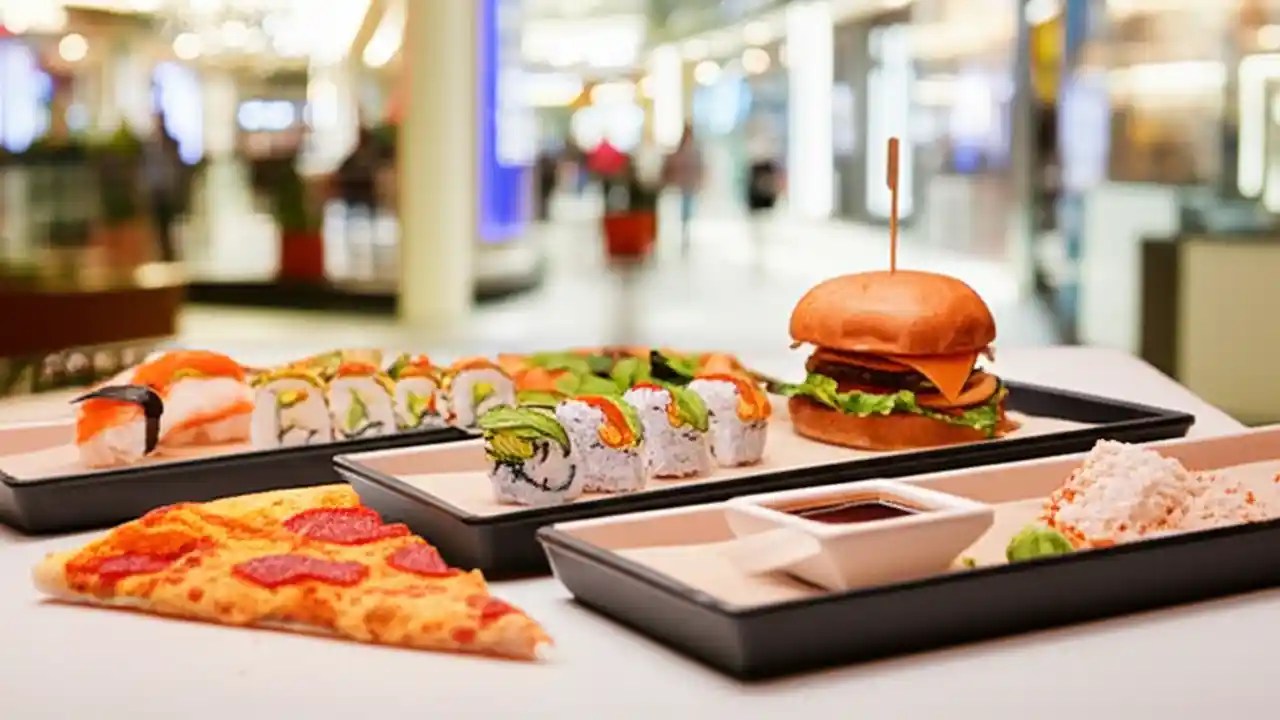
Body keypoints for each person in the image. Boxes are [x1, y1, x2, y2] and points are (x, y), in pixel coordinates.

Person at [141, 112, 183, 262]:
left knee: (170, 223)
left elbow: (176, 167)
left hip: (168, 189)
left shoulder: (172, 143)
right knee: (157, 224)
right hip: (155, 189)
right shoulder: (149, 144)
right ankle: (161, 252)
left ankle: (170, 252)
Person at [662, 123, 704, 254]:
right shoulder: (679, 151)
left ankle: (686, 233)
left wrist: (699, 181)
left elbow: (700, 168)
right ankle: (681, 232)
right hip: (679, 185)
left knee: (687, 209)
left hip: (689, 185)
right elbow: (671, 165)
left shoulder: (695, 152)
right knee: (679, 209)